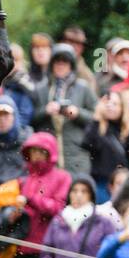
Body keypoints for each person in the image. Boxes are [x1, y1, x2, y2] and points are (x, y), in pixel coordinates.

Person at [31, 42, 97, 174]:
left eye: (65, 62)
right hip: (47, 155)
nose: (61, 65)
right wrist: (46, 111)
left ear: (71, 65)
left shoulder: (82, 87)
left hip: (76, 154)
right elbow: (30, 119)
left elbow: (97, 118)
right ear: (52, 65)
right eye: (57, 62)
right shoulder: (41, 89)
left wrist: (78, 113)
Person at [81, 90, 129, 203]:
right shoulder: (97, 126)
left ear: (122, 108)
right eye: (107, 103)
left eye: (114, 104)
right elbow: (88, 144)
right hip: (100, 185)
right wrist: (97, 117)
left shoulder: (128, 132)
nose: (109, 106)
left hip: (122, 184)